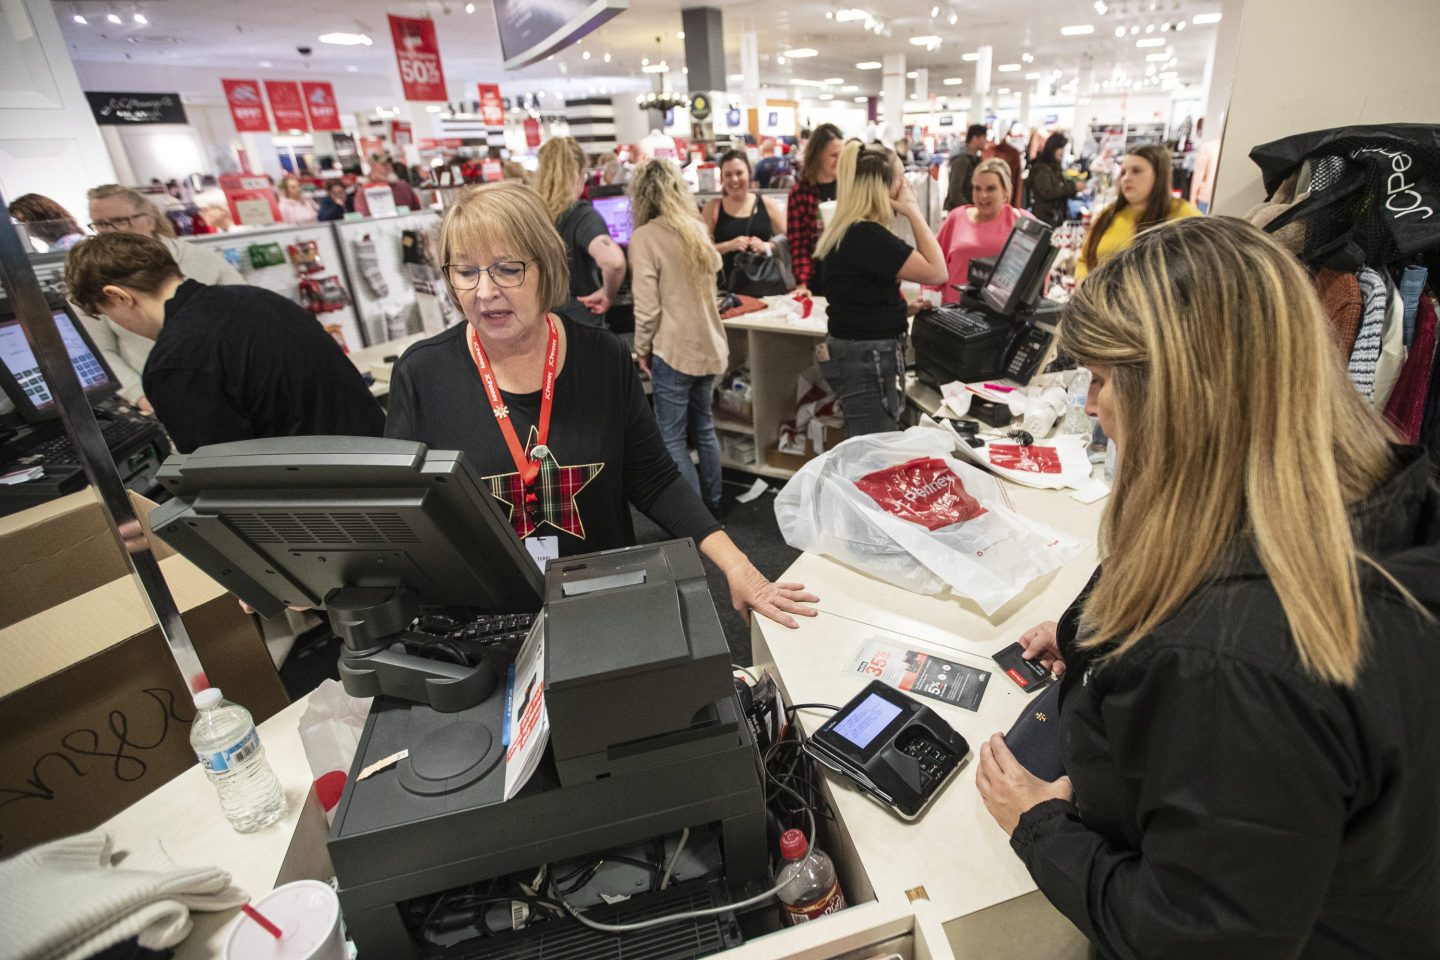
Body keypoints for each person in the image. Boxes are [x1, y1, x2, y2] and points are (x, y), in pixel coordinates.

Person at [974, 216, 1440, 958]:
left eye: (1101, 380)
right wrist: (1090, 641)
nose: (1092, 407)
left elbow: (1196, 936)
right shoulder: (1366, 504)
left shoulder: (1234, 662)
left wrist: (1041, 829)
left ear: (1176, 395)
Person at [384, 181, 817, 628]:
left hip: (602, 605)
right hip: (485, 623)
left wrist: (737, 564)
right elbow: (401, 516)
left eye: (508, 269)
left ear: (547, 264)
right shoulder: (423, 375)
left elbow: (652, 476)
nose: (484, 291)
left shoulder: (602, 358)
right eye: (465, 271)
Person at [63, 233, 384, 453]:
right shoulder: (259, 298)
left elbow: (224, 483)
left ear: (118, 296)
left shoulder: (175, 363)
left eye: (106, 313)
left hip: (326, 510)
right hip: (380, 463)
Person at [814, 141, 946, 437]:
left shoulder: (853, 228)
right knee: (873, 453)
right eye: (901, 178)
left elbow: (857, 294)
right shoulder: (866, 234)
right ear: (883, 187)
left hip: (857, 352)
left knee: (868, 444)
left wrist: (901, 309)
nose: (908, 186)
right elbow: (937, 271)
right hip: (866, 357)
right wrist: (913, 212)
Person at [83, 184, 244, 405]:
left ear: (150, 220)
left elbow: (245, 317)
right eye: (100, 224)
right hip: (155, 397)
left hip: (227, 389)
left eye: (120, 220)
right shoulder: (93, 276)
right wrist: (139, 395)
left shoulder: (199, 259)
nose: (110, 231)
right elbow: (99, 350)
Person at [629, 160, 728, 516]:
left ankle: (695, 518)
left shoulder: (645, 237)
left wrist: (639, 349)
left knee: (671, 437)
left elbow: (647, 307)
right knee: (704, 428)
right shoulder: (695, 229)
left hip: (673, 350)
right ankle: (713, 506)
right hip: (709, 346)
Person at [535, 136, 627, 328]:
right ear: (577, 173)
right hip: (580, 324)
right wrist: (607, 294)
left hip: (542, 322)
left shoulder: (530, 214)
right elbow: (614, 262)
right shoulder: (581, 215)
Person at [1076, 143, 1200, 281]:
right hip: (1097, 300)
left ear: (1159, 174)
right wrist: (1082, 285)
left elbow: (1199, 270)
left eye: (1136, 171)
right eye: (1123, 172)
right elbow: (1084, 260)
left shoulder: (1183, 215)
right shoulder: (1107, 215)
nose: (1126, 178)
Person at [930, 159, 1033, 296]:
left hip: (1000, 314)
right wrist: (929, 297)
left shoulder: (1021, 221)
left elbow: (1038, 271)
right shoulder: (956, 218)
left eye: (991, 188)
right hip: (954, 312)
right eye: (977, 188)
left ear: (1005, 191)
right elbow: (934, 263)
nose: (983, 195)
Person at [703, 150, 785, 285]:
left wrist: (767, 246)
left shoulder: (766, 203)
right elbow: (701, 250)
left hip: (765, 287)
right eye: (728, 175)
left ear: (749, 174)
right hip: (725, 289)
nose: (734, 179)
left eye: (739, 173)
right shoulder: (712, 208)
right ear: (722, 178)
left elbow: (785, 240)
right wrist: (728, 246)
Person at [786, 122, 844, 299]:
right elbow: (799, 244)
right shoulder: (800, 193)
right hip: (818, 277)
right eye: (834, 155)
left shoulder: (850, 188)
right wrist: (802, 283)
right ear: (818, 155)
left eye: (842, 154)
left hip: (850, 274)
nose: (840, 160)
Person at [1026, 132, 1080, 227]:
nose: (1062, 152)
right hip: (1044, 220)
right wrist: (1074, 187)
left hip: (1053, 219)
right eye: (1061, 148)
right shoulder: (1041, 168)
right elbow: (1048, 193)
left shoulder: (1053, 166)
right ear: (1053, 148)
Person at [8, 193, 86, 251]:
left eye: (23, 220)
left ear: (40, 217)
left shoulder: (69, 244)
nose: (21, 226)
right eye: (18, 221)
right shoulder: (56, 245)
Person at [352, 154, 422, 216]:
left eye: (390, 164)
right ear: (373, 167)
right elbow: (364, 217)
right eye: (384, 165)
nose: (389, 167)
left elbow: (416, 208)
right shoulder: (363, 191)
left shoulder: (403, 186)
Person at [944, 124, 988, 212]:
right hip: (960, 213)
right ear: (975, 138)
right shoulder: (962, 160)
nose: (986, 141)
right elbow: (955, 191)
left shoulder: (975, 159)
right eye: (984, 137)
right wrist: (968, 211)